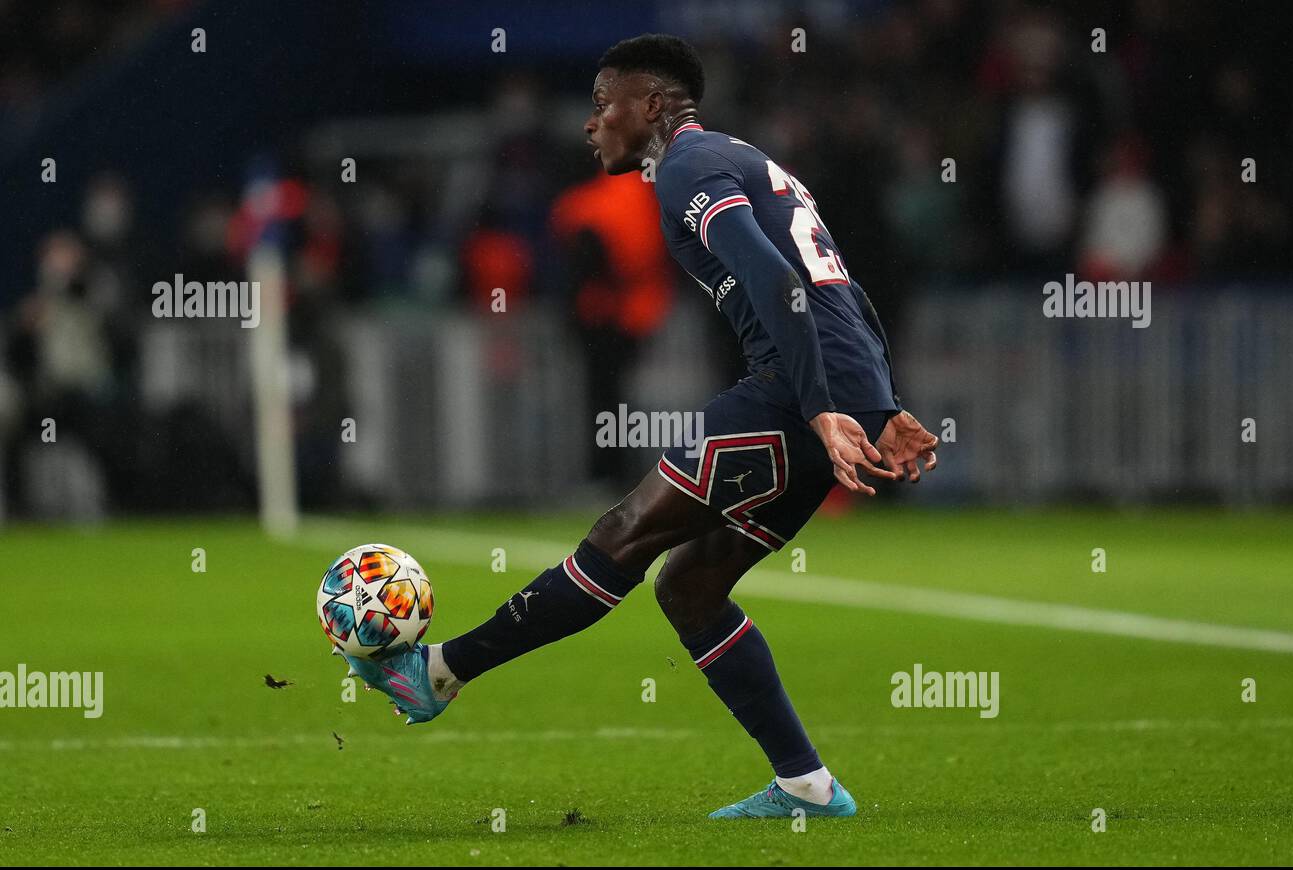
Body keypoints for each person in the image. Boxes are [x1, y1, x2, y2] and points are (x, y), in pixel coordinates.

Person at [343, 34, 939, 819]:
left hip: (793, 397)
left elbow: (776, 278)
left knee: (625, 534)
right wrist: (878, 402)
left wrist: (829, 406)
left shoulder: (689, 166)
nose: (591, 125)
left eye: (602, 105)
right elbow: (845, 291)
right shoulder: (742, 158)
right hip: (822, 392)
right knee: (690, 588)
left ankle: (440, 673)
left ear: (653, 106)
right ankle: (806, 785)